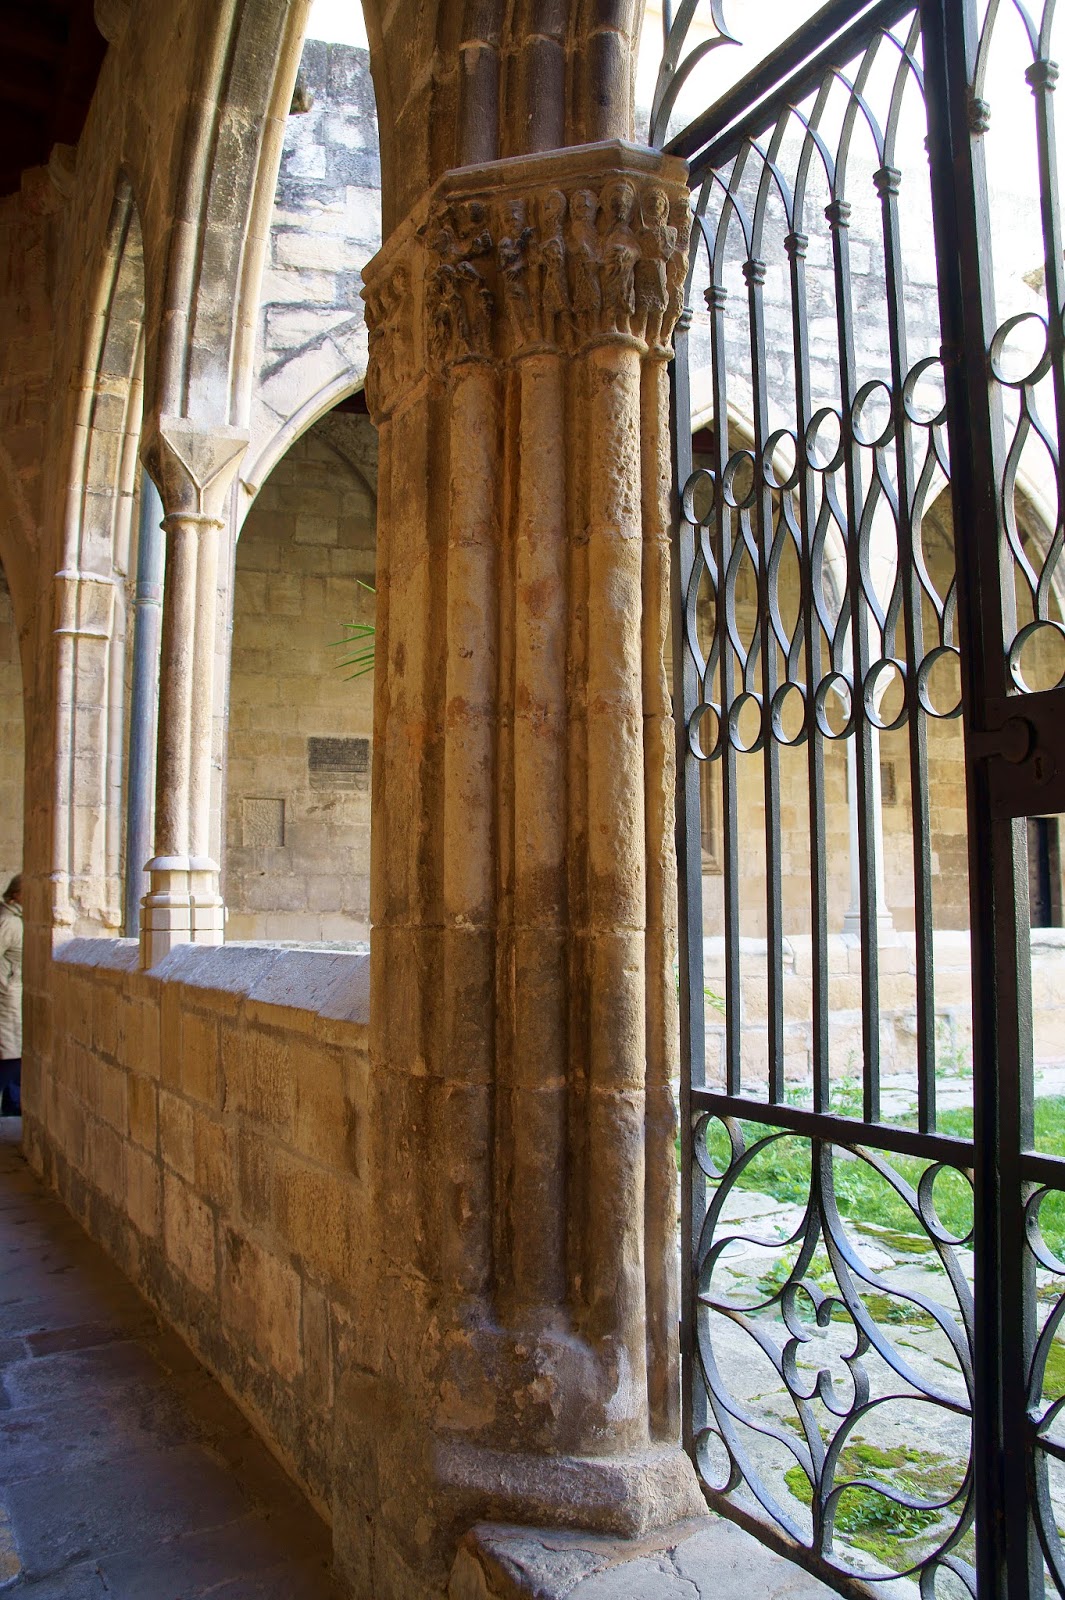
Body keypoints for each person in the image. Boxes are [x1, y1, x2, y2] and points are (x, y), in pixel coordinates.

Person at [0, 875, 22, 1116]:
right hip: (8, 995)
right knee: (11, 1053)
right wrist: (4, 985)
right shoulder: (8, 921)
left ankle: (13, 1104)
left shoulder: (16, 919)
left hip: (14, 992)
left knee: (16, 1051)